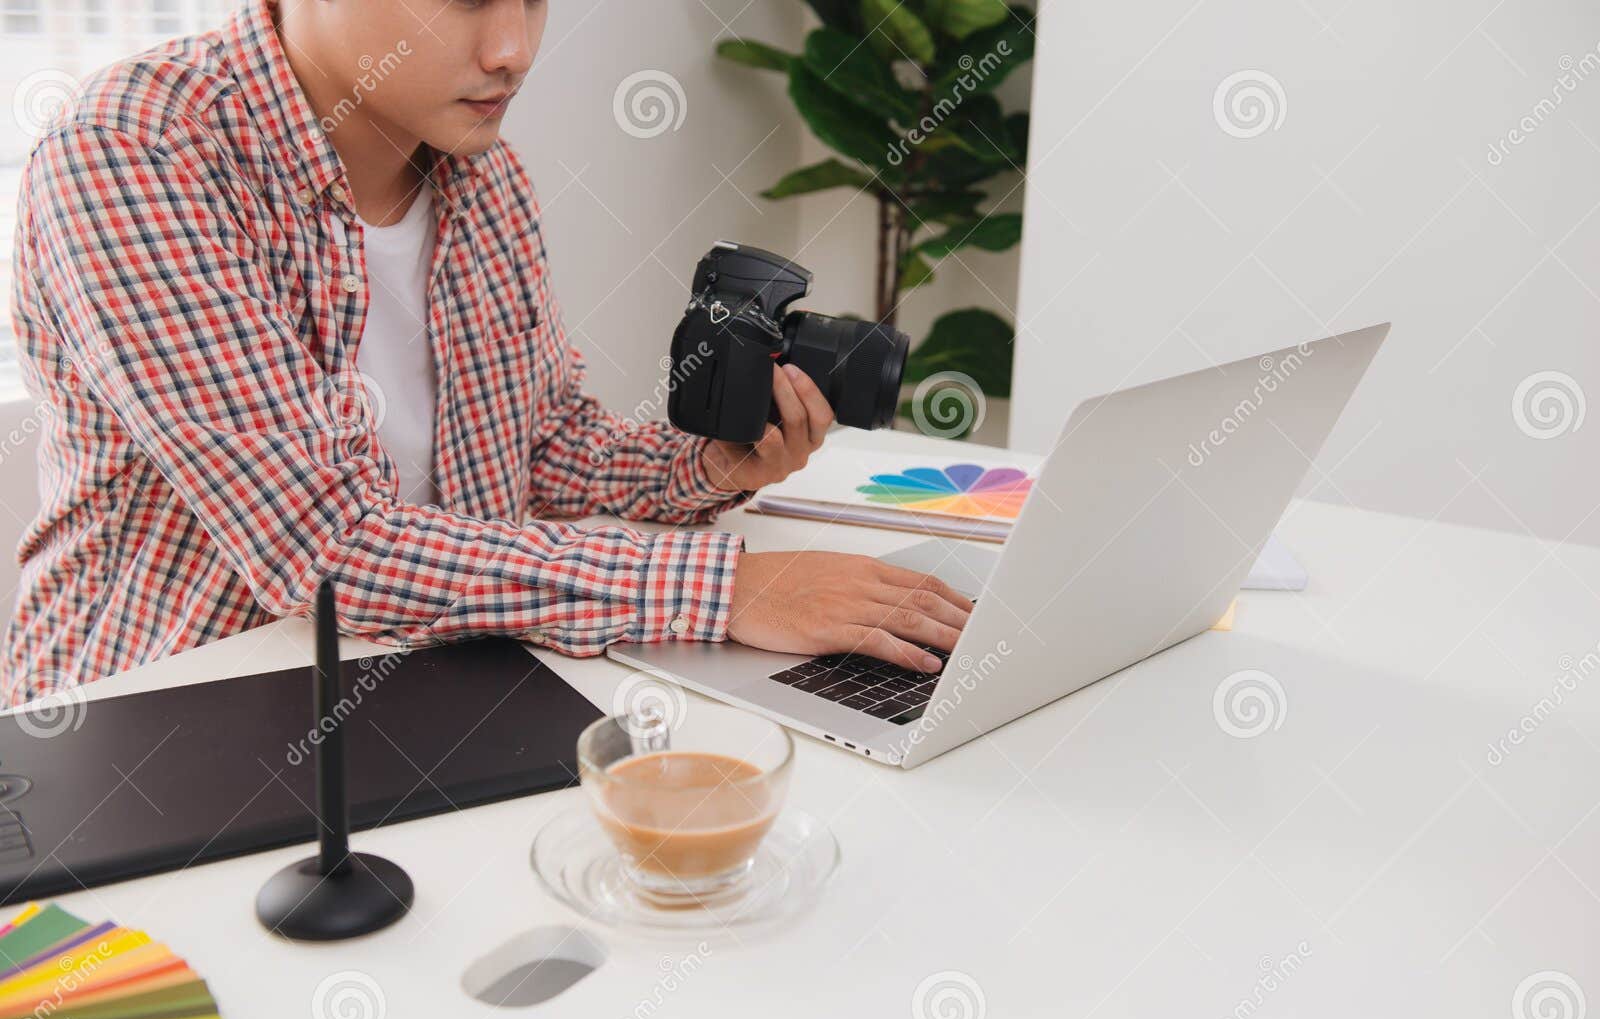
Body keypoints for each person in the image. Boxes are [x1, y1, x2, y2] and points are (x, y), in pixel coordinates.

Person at [1, 0, 972, 708]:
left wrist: (712, 465)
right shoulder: (134, 157)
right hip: (155, 715)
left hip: (434, 678)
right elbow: (324, 549)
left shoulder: (483, 175)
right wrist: (727, 588)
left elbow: (541, 447)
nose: (514, 49)